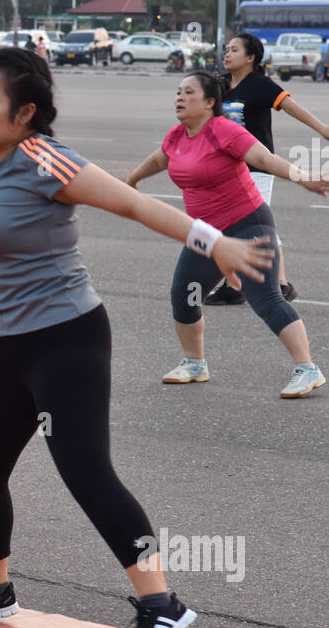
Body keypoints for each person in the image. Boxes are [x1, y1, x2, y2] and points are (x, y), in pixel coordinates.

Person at [0, 47, 276, 628]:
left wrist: (216, 242)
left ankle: (160, 603)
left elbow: (136, 204)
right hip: (8, 345)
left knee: (85, 469)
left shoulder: (47, 159)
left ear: (25, 111)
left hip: (68, 340)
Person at [127, 71, 327, 397]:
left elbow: (264, 158)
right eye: (178, 92)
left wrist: (302, 176)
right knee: (185, 294)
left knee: (265, 298)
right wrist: (133, 179)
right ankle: (195, 364)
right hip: (207, 234)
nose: (179, 97)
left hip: (248, 224)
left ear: (209, 102)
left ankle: (307, 369)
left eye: (188, 92)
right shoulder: (177, 136)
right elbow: (158, 160)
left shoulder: (225, 131)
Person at [205, 34, 329, 305]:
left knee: (257, 224)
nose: (227, 54)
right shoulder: (222, 85)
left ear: (250, 58)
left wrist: (323, 129)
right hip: (227, 170)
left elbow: (291, 107)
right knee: (232, 224)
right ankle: (240, 285)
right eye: (226, 50)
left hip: (257, 167)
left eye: (234, 50)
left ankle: (273, 284)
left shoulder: (259, 85)